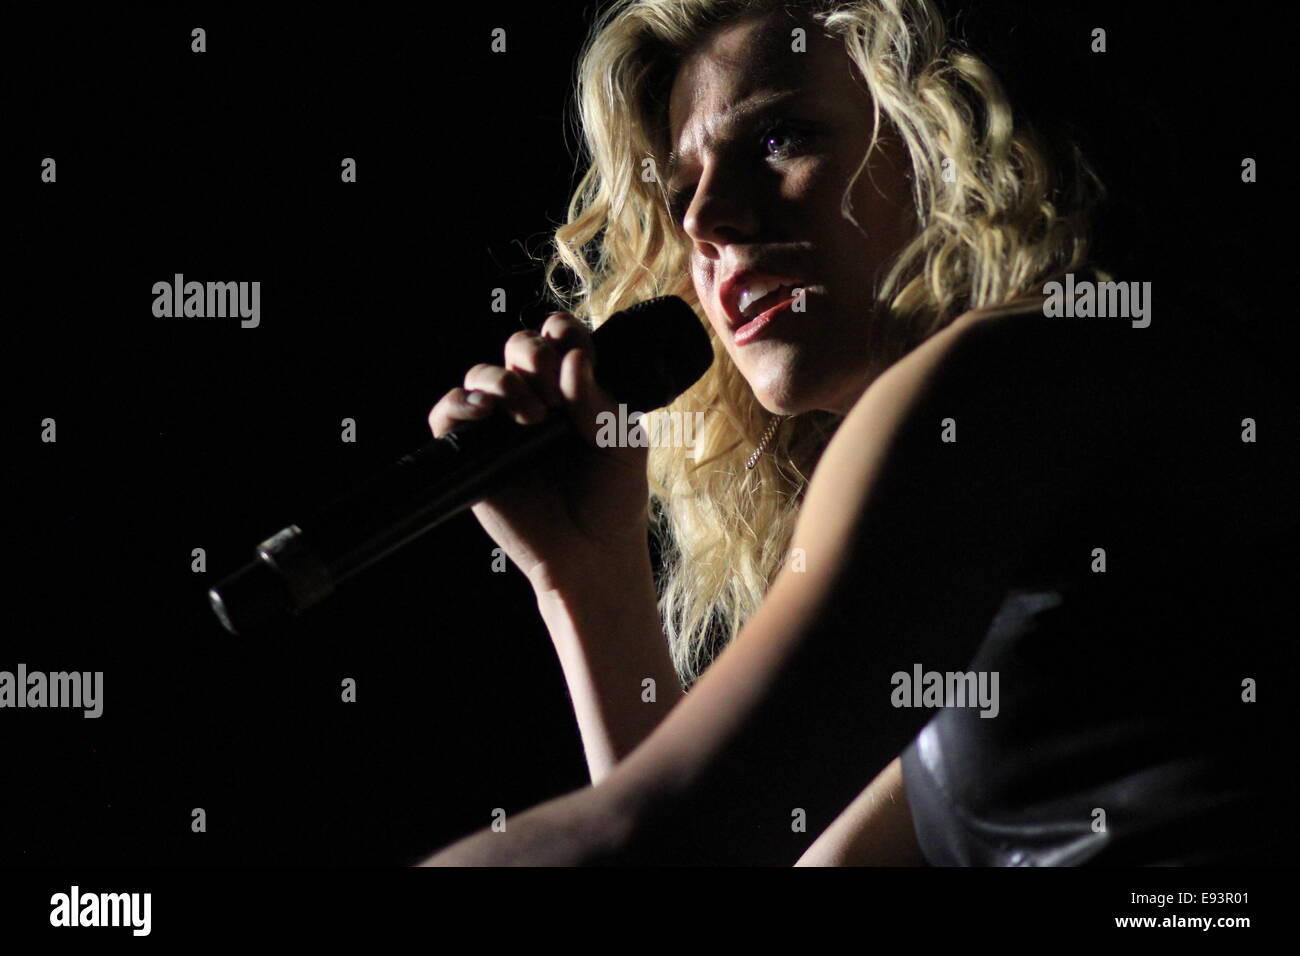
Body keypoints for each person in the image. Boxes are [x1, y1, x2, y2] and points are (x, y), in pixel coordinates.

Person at [420, 0, 1296, 865]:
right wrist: (586, 569)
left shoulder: (1015, 374)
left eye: (780, 139)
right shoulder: (992, 494)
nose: (705, 220)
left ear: (941, 139)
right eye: (683, 192)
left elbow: (656, 839)